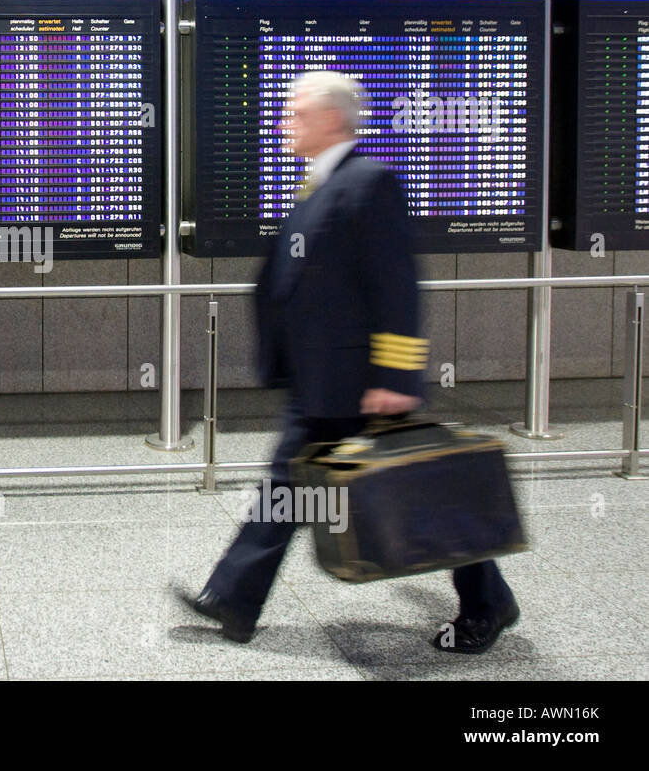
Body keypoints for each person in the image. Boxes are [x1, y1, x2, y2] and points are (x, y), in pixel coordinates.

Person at [176, 70, 519, 654]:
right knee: (285, 488)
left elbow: (398, 287)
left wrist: (394, 377)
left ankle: (490, 602)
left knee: (424, 491)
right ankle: (234, 598)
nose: (285, 122)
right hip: (322, 382)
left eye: (296, 112)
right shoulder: (323, 183)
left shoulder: (370, 182)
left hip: (362, 384)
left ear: (331, 119)